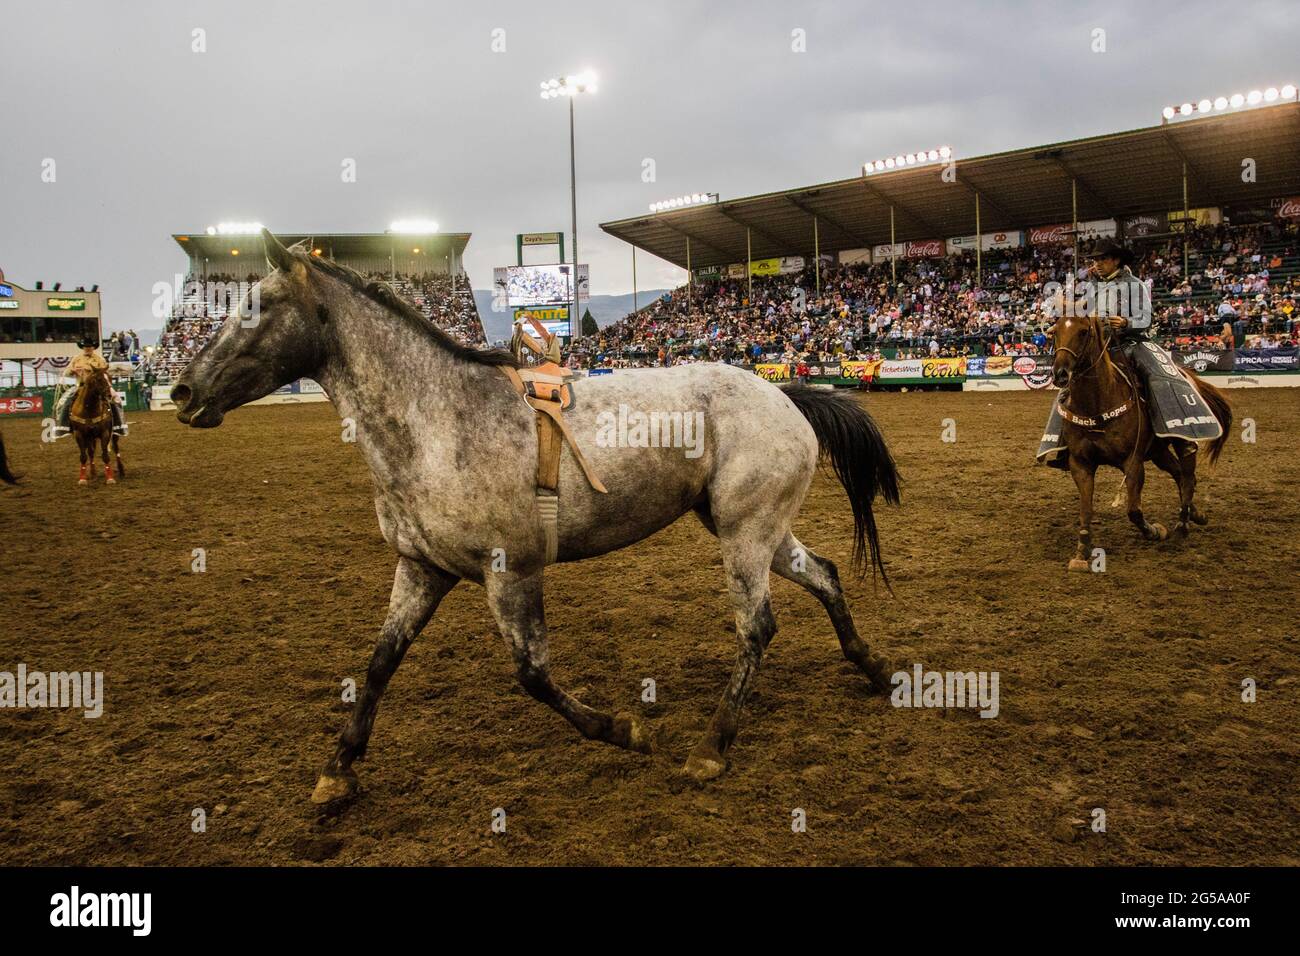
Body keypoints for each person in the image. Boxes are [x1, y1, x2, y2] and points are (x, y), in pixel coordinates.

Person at [54, 338, 125, 434]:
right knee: (65, 402)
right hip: (80, 386)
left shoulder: (99, 359)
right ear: (83, 348)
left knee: (113, 401)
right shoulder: (76, 359)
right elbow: (67, 372)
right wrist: (73, 370)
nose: (87, 348)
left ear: (93, 348)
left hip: (97, 387)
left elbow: (105, 372)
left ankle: (117, 426)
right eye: (86, 347)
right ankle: (63, 427)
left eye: (89, 347)